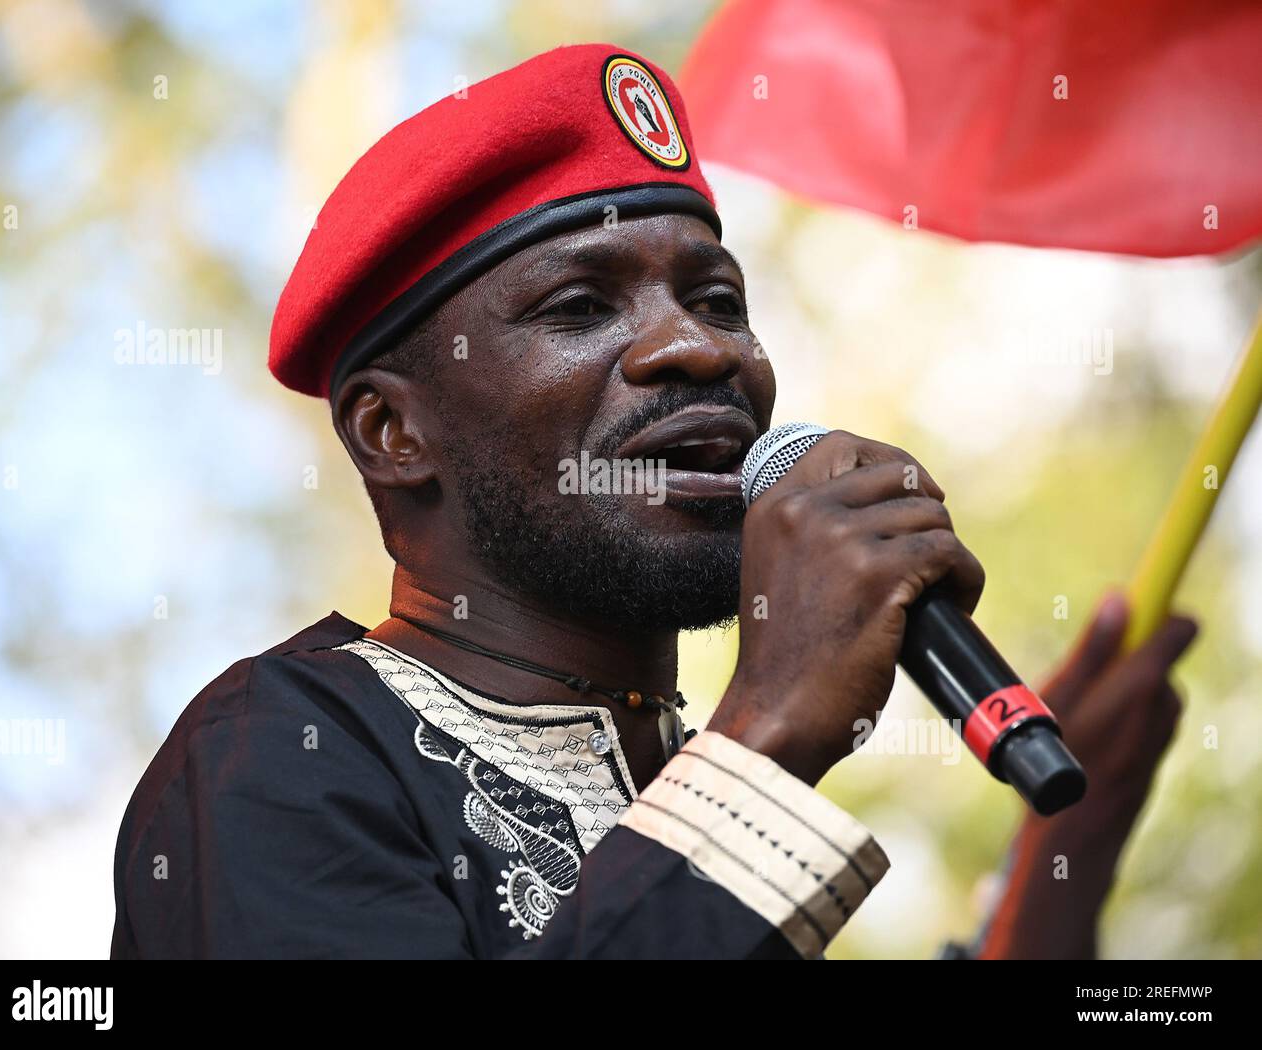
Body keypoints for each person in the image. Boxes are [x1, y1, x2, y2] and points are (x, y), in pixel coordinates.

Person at [110, 43, 1197, 960]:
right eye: (580, 306)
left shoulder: (693, 790)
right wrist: (770, 728)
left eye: (718, 298)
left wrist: (1062, 857)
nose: (698, 346)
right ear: (395, 433)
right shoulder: (275, 755)